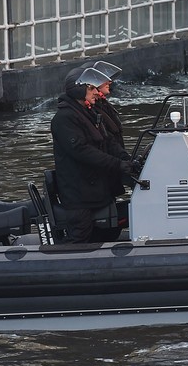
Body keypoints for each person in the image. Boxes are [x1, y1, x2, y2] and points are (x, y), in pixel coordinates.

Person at [50, 65, 135, 243]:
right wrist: (117, 164)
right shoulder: (64, 118)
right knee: (80, 237)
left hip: (97, 191)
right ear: (79, 89)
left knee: (107, 233)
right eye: (92, 88)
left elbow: (108, 141)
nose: (97, 92)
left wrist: (126, 159)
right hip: (80, 197)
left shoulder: (90, 113)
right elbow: (83, 151)